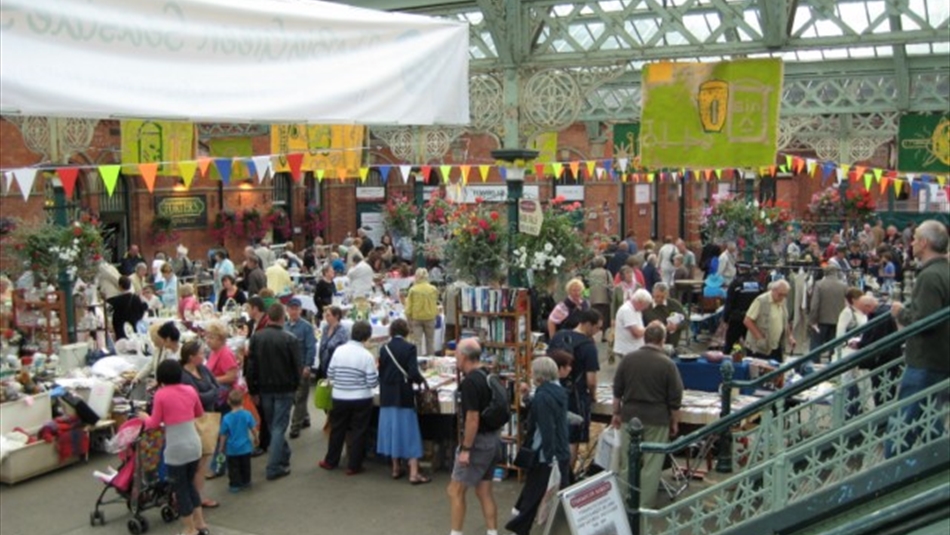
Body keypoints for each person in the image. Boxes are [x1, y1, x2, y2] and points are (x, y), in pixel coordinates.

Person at [888, 220, 950, 457]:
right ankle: (935, 463)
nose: (912, 242)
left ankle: (888, 476)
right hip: (940, 360)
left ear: (924, 243)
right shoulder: (944, 271)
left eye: (915, 239)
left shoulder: (930, 277)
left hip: (924, 362)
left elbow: (925, 322)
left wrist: (899, 312)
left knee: (903, 424)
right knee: (930, 421)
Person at [612, 322, 684, 509]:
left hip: (630, 415)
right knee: (652, 464)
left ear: (644, 338)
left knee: (628, 461)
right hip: (657, 418)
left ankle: (625, 502)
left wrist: (616, 413)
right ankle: (643, 506)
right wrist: (675, 420)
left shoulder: (628, 359)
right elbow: (675, 397)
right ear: (663, 340)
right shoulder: (667, 364)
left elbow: (617, 390)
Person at [138, 359, 210, 535]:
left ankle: (189, 528)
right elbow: (199, 413)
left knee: (181, 488)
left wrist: (143, 417)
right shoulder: (190, 390)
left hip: (176, 448)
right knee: (191, 484)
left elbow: (154, 423)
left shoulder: (161, 395)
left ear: (161, 378)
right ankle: (201, 524)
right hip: (194, 444)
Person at [504, 357, 570, 535]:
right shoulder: (558, 392)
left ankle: (520, 526)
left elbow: (546, 429)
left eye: (533, 372)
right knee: (542, 490)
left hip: (544, 455)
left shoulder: (542, 397)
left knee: (533, 493)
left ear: (539, 376)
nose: (530, 374)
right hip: (560, 451)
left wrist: (549, 458)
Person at [447, 338, 501, 535]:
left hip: (477, 442)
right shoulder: (487, 374)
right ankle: (492, 532)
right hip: (493, 439)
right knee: (484, 491)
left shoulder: (470, 382)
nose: (455, 360)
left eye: (456, 356)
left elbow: (472, 419)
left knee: (455, 490)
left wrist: (466, 449)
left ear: (463, 356)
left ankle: (456, 532)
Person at [246, 303, 301, 480]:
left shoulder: (257, 338)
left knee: (272, 425)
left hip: (264, 388)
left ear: (268, 317)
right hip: (284, 389)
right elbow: (296, 368)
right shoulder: (290, 339)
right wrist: (295, 387)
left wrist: (253, 390)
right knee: (277, 427)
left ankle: (282, 455)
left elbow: (251, 367)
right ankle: (274, 466)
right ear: (282, 318)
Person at [319, 320, 379, 475]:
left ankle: (331, 461)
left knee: (337, 429)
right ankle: (354, 465)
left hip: (339, 396)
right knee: (359, 431)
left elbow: (330, 374)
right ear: (367, 337)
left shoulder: (339, 351)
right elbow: (372, 382)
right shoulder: (367, 356)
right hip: (361, 398)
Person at [376, 319, 430, 484]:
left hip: (387, 394)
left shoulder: (383, 348)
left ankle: (395, 468)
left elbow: (381, 371)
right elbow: (413, 372)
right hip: (403, 394)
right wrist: (421, 380)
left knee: (392, 431)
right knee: (409, 432)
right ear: (406, 332)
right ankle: (414, 473)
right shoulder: (410, 348)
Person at [548, 309, 602, 472]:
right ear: (588, 325)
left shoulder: (558, 336)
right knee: (572, 437)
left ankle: (550, 472)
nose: (598, 332)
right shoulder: (588, 346)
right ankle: (566, 475)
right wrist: (592, 396)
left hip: (552, 391)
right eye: (597, 328)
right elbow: (591, 380)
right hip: (575, 396)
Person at [179, 341, 221, 510]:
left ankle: (196, 494)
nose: (205, 356)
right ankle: (196, 497)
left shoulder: (202, 369)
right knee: (197, 462)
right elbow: (197, 398)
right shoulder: (184, 375)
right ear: (191, 356)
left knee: (202, 460)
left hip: (207, 417)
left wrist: (208, 393)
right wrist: (210, 393)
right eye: (202, 353)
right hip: (195, 421)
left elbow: (215, 388)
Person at [285, 298, 317, 439]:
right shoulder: (284, 326)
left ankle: (295, 426)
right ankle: (305, 418)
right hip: (288, 368)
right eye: (291, 308)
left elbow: (311, 347)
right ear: (287, 310)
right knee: (295, 397)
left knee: (299, 397)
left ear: (300, 310)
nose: (294, 311)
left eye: (296, 308)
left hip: (301, 367)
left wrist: (308, 365)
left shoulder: (306, 327)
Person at [217, 389, 258, 493]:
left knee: (233, 468)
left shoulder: (226, 418)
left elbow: (223, 434)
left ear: (228, 402)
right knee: (246, 465)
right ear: (243, 401)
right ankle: (246, 481)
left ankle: (235, 484)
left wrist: (221, 447)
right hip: (245, 446)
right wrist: (256, 438)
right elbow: (253, 429)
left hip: (232, 448)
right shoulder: (247, 414)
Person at [743, 280, 795, 361]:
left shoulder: (782, 301)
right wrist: (760, 338)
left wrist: (790, 337)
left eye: (785, 295)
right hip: (759, 349)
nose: (782, 297)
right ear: (773, 290)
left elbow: (784, 321)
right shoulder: (761, 301)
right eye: (780, 294)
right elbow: (747, 320)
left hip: (775, 347)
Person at [808, 265, 848, 353]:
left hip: (821, 320)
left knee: (816, 346)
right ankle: (833, 363)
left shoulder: (819, 284)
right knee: (834, 346)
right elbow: (847, 303)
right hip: (838, 320)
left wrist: (812, 320)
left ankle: (814, 363)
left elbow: (815, 304)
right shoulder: (844, 286)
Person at [612, 289, 653, 362]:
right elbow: (636, 333)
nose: (646, 308)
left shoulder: (636, 310)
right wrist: (651, 327)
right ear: (640, 302)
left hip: (633, 349)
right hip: (627, 350)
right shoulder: (627, 310)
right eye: (645, 305)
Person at [405, 268, 440, 356]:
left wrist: (409, 321)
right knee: (430, 341)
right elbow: (435, 303)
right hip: (430, 318)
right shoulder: (433, 289)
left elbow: (408, 308)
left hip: (416, 319)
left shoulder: (413, 290)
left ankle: (418, 363)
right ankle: (431, 362)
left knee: (417, 343)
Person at [642, 282, 687, 348]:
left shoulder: (674, 304)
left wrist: (676, 326)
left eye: (662, 297)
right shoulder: (646, 306)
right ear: (652, 294)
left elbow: (687, 320)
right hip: (652, 345)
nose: (659, 299)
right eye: (657, 296)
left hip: (672, 344)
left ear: (667, 295)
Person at [107, 276, 148, 340]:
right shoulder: (137, 298)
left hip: (120, 329)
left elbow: (109, 312)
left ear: (120, 286)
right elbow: (144, 308)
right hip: (134, 327)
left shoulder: (115, 300)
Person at [318, 306, 350, 379]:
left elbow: (331, 345)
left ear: (336, 316)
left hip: (335, 363)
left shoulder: (342, 331)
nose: (326, 317)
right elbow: (322, 345)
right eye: (326, 315)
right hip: (323, 362)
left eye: (328, 315)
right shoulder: (326, 328)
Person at [587, 256, 612, 342]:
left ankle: (593, 334)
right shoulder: (606, 273)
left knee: (594, 317)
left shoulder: (591, 273)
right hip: (604, 298)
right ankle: (604, 335)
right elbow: (611, 285)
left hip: (593, 299)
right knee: (604, 318)